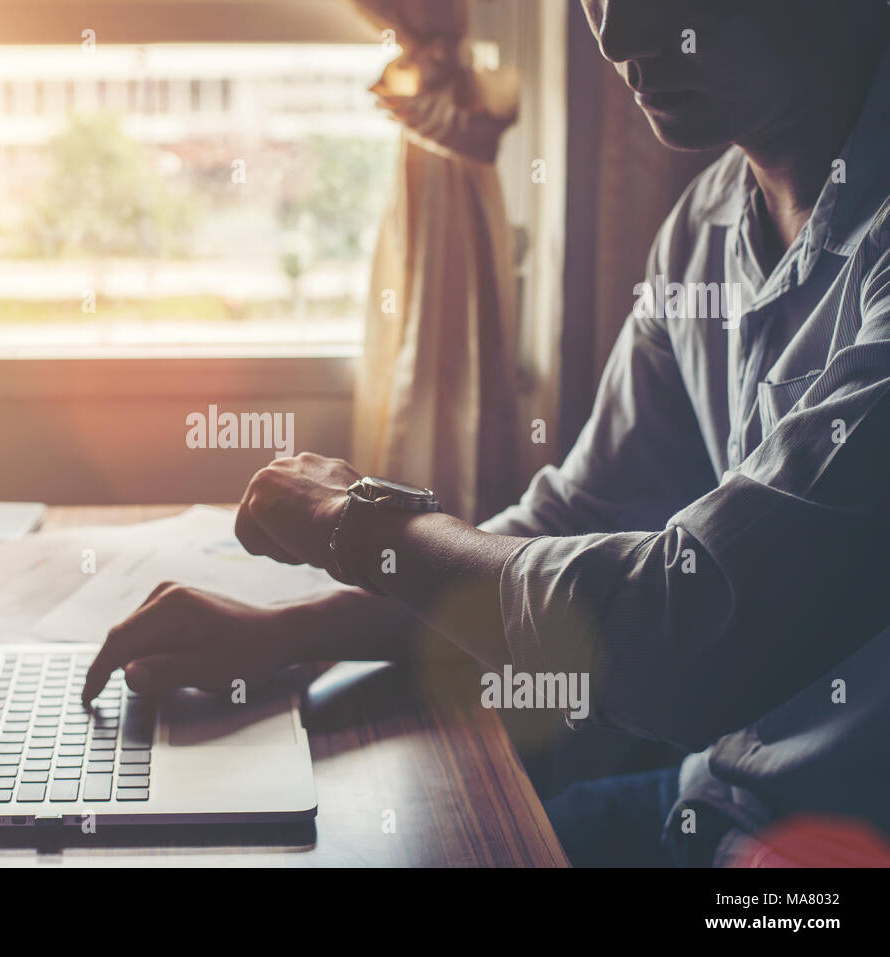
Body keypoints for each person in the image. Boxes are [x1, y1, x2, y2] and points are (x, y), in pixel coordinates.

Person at [83, 0, 890, 866]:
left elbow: (682, 638)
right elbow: (577, 515)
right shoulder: (708, 224)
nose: (614, 34)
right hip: (715, 801)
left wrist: (357, 524)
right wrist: (297, 632)